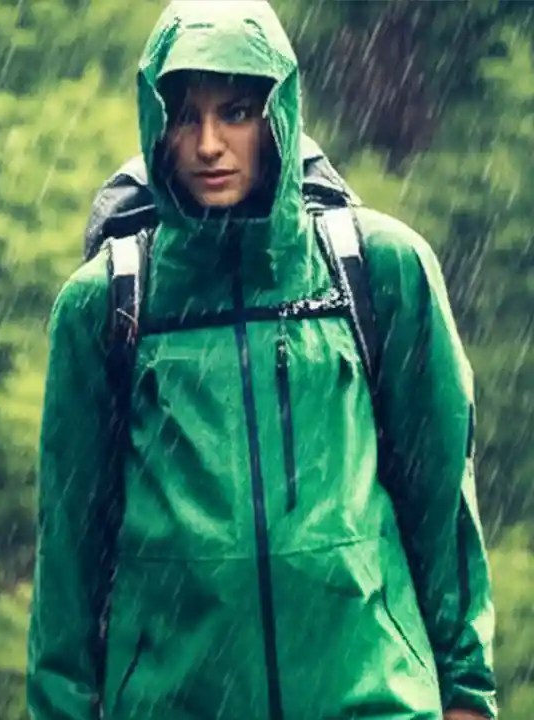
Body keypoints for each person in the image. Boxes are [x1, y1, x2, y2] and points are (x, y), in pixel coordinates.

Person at [27, 2, 496, 719]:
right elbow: (67, 559)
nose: (208, 143)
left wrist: (465, 692)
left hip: (371, 699)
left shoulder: (379, 270)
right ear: (157, 126)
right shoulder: (108, 304)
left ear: (280, 116)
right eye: (186, 116)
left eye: (237, 111)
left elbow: (441, 505)